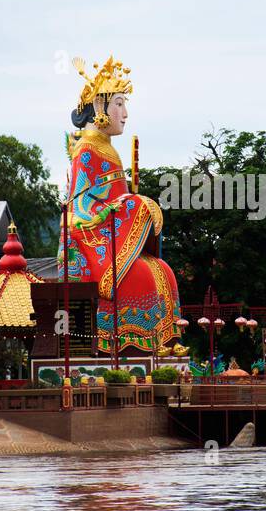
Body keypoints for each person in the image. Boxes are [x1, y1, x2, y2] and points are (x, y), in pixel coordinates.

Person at [60, 56, 186, 355]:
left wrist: (128, 202)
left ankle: (163, 341)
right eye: (119, 104)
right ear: (100, 108)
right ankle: (131, 344)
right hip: (89, 234)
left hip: (112, 231)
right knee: (141, 274)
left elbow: (112, 197)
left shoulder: (105, 147)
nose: (125, 113)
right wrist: (129, 204)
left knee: (161, 269)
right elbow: (80, 206)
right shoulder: (87, 149)